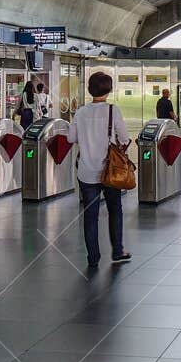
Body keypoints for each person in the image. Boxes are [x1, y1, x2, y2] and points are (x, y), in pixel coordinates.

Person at [67, 71, 131, 270]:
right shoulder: (113, 110)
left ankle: (93, 257)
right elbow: (125, 138)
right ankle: (118, 250)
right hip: (110, 171)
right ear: (109, 89)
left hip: (87, 172)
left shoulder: (80, 112)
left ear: (89, 89)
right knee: (115, 210)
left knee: (90, 215)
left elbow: (71, 139)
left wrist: (87, 139)